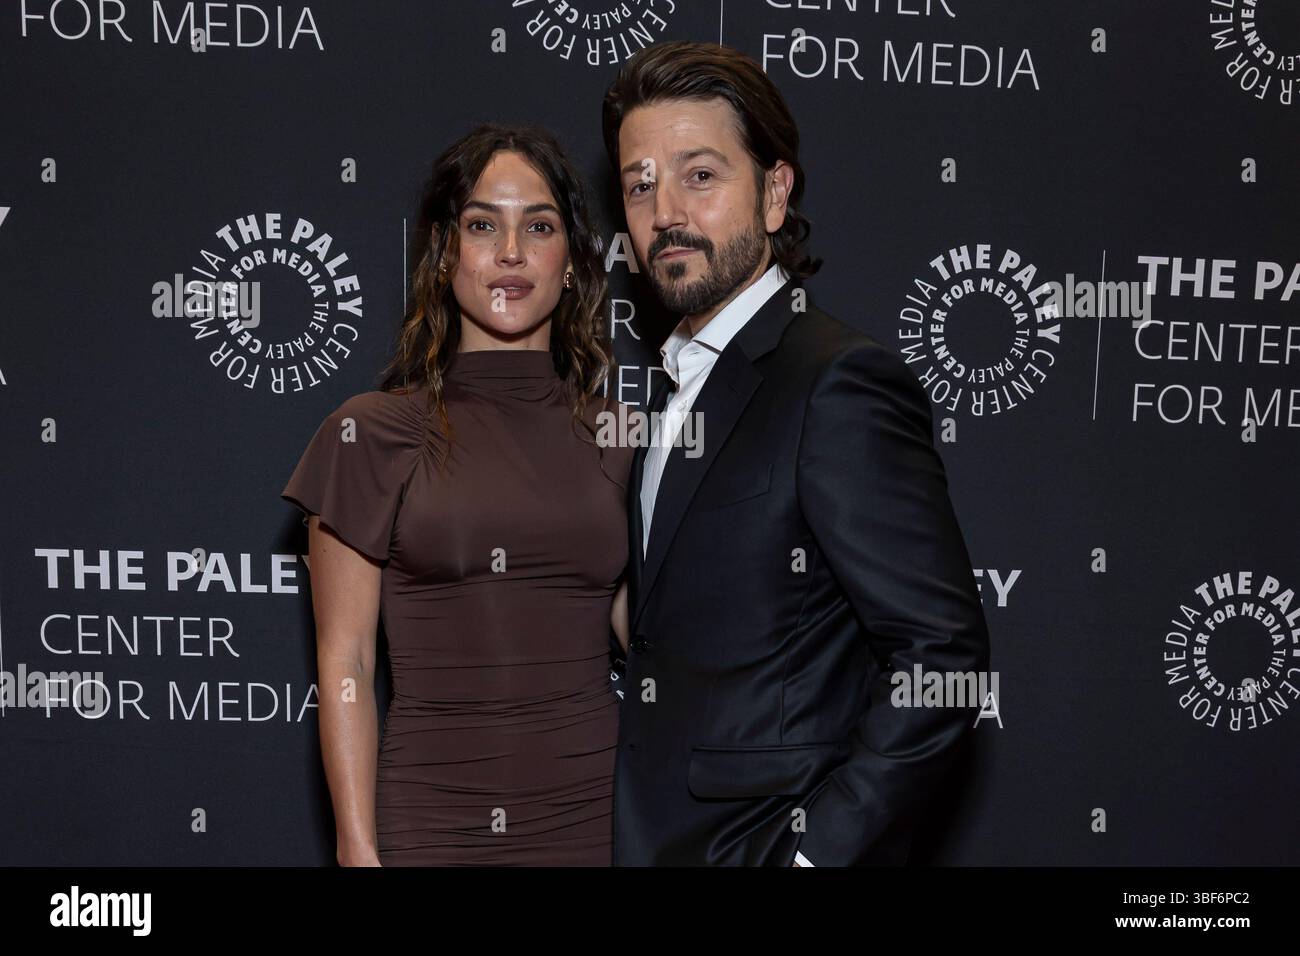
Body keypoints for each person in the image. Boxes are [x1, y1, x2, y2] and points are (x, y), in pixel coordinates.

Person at [601, 41, 992, 866]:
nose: (665, 209)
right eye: (640, 184)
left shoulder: (836, 380)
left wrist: (816, 856)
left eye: (699, 176)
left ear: (774, 193)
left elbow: (942, 658)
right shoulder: (674, 396)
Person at [280, 124, 633, 866]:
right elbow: (344, 664)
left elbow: (648, 636)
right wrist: (356, 848)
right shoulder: (371, 435)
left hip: (598, 819)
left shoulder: (623, 437)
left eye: (539, 226)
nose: (511, 253)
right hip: (431, 819)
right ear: (444, 255)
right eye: (482, 226)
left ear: (571, 262)